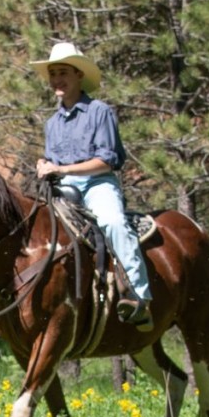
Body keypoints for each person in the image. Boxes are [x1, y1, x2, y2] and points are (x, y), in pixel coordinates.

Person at [30, 40, 152, 326]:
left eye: (63, 72)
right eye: (53, 73)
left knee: (113, 223)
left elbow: (106, 161)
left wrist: (61, 168)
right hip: (63, 189)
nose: (57, 79)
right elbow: (51, 160)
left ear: (78, 76)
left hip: (98, 185)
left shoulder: (100, 112)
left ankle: (138, 294)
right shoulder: (52, 123)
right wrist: (43, 166)